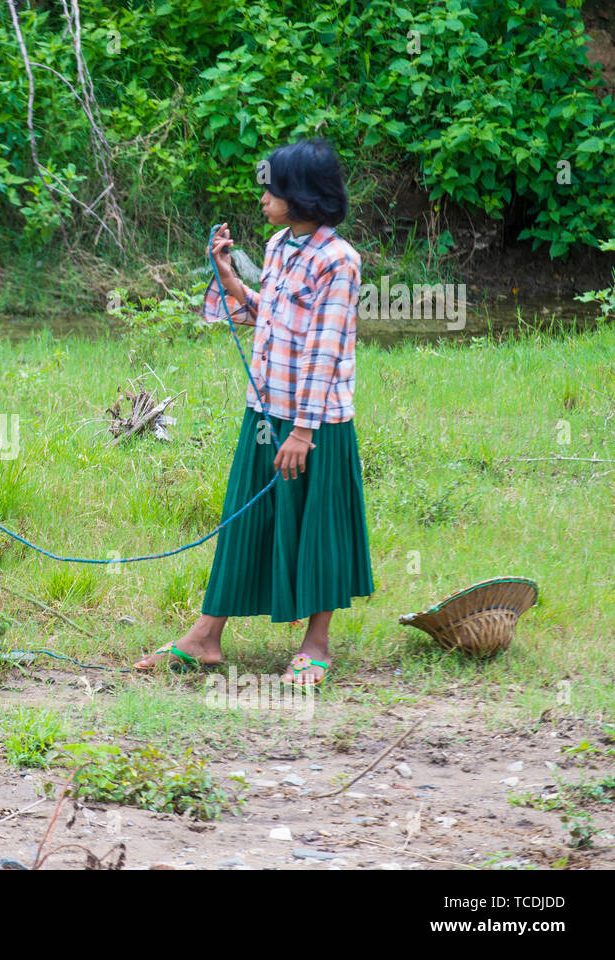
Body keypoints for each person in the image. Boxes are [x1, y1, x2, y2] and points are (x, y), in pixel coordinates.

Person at [134, 138, 375, 686]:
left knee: (319, 526)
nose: (263, 197)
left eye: (272, 188)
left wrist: (304, 432)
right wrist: (230, 280)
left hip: (316, 423)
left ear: (303, 195)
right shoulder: (278, 246)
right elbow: (272, 317)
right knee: (245, 520)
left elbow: (325, 347)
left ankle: (316, 645)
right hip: (265, 413)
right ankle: (205, 638)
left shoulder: (338, 261)